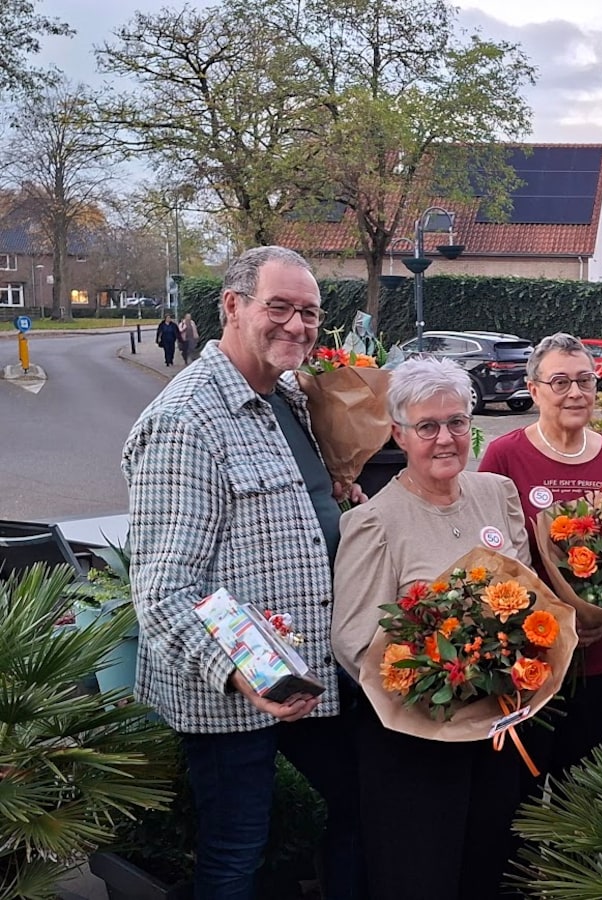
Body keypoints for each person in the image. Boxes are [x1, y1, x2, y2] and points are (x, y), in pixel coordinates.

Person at [122, 246, 365, 900]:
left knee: (366, 800)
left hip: (312, 661)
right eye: (278, 307)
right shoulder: (187, 419)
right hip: (239, 683)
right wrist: (249, 672)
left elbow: (289, 502)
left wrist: (336, 497)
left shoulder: (285, 395)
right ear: (232, 306)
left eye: (309, 312)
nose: (297, 325)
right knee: (237, 850)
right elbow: (163, 591)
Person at [332, 355, 530, 900]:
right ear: (398, 433)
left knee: (484, 869)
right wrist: (447, 679)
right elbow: (353, 642)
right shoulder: (374, 521)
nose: (446, 438)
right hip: (416, 741)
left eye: (457, 422)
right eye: (427, 426)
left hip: (495, 732)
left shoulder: (497, 494)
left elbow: (529, 595)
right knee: (420, 876)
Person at [479, 332, 602, 783]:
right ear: (533, 390)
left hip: (596, 651)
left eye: (585, 380)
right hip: (528, 658)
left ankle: (573, 858)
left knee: (581, 781)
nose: (575, 393)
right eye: (560, 381)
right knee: (519, 785)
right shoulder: (505, 455)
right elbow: (487, 557)